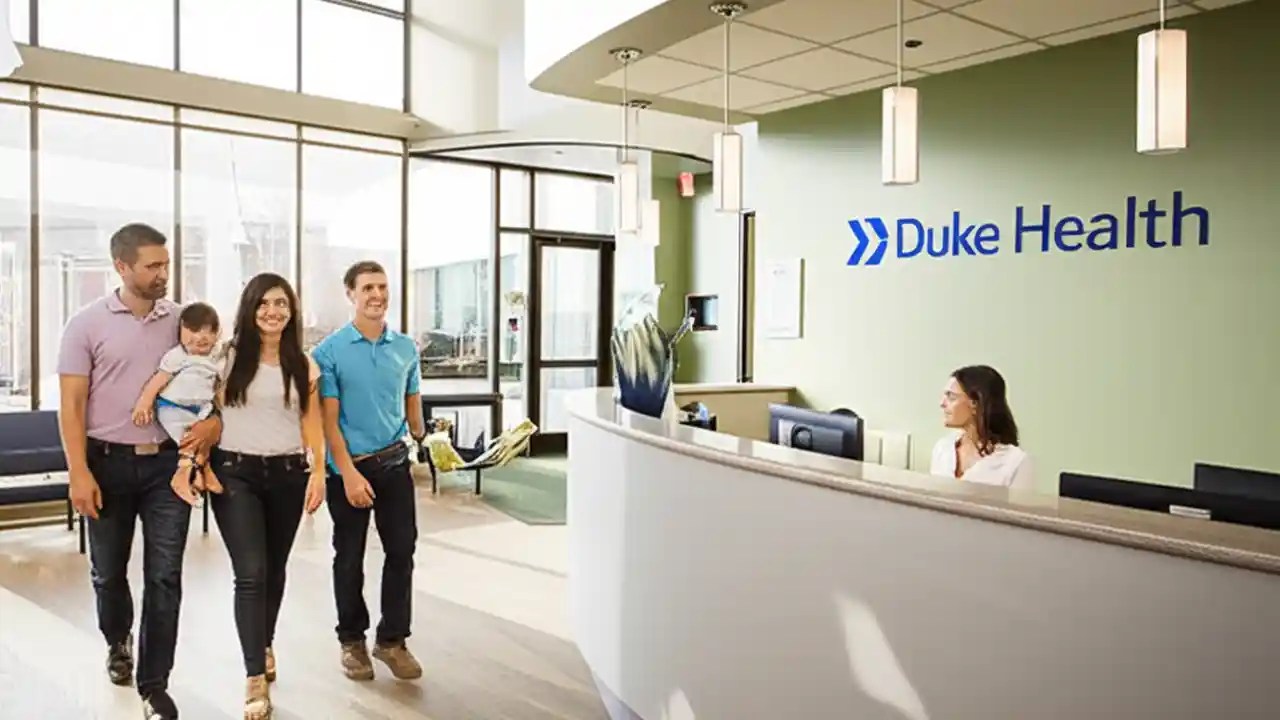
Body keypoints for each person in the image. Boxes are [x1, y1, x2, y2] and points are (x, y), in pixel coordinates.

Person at [57, 223, 221, 720]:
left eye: (166, 264)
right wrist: (78, 472)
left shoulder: (183, 321)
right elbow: (71, 405)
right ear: (121, 267)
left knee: (165, 576)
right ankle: (117, 640)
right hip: (106, 464)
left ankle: (155, 685)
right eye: (152, 266)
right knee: (108, 572)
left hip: (170, 466)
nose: (163, 274)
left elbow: (213, 382)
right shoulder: (84, 324)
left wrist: (214, 423)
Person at [211, 273, 326, 719]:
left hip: (288, 474)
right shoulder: (227, 357)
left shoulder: (304, 364)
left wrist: (319, 473)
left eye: (280, 303)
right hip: (234, 473)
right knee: (251, 573)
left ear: (292, 311)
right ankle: (254, 676)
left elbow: (310, 421)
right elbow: (207, 410)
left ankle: (264, 641)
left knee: (274, 571)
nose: (272, 311)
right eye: (263, 303)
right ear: (250, 309)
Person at [313, 260, 426, 682]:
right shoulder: (329, 352)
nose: (377, 295)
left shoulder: (406, 348)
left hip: (395, 465)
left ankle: (392, 640)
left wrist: (423, 437)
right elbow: (328, 423)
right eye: (367, 288)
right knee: (350, 557)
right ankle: (352, 641)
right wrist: (348, 474)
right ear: (351, 294)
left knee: (402, 552)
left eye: (382, 287)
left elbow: (412, 401)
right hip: (349, 469)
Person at [131, 301, 225, 505]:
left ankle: (203, 471)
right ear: (181, 332)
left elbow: (221, 386)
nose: (201, 337)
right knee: (189, 442)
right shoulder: (178, 356)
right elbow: (158, 380)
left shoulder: (216, 357)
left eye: (209, 331)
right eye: (194, 331)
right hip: (172, 407)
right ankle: (182, 478)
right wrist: (144, 402)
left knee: (205, 438)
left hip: (201, 408)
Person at [929, 365, 1034, 489]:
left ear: (976, 403)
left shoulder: (1015, 463)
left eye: (951, 397)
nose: (942, 403)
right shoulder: (942, 448)